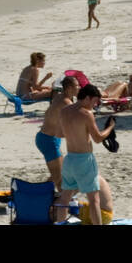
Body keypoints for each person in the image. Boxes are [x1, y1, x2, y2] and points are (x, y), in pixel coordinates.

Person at [57, 85, 116, 224]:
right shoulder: (86, 114)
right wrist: (110, 127)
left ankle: (60, 223)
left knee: (65, 198)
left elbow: (59, 133)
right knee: (94, 199)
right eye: (94, 101)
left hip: (69, 158)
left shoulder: (64, 111)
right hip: (84, 159)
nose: (94, 106)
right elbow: (98, 138)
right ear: (87, 98)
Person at [37, 75, 79, 209]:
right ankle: (62, 206)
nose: (79, 87)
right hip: (48, 141)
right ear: (69, 88)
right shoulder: (66, 102)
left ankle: (38, 195)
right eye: (77, 85)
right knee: (60, 181)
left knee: (57, 175)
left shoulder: (61, 97)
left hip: (51, 139)